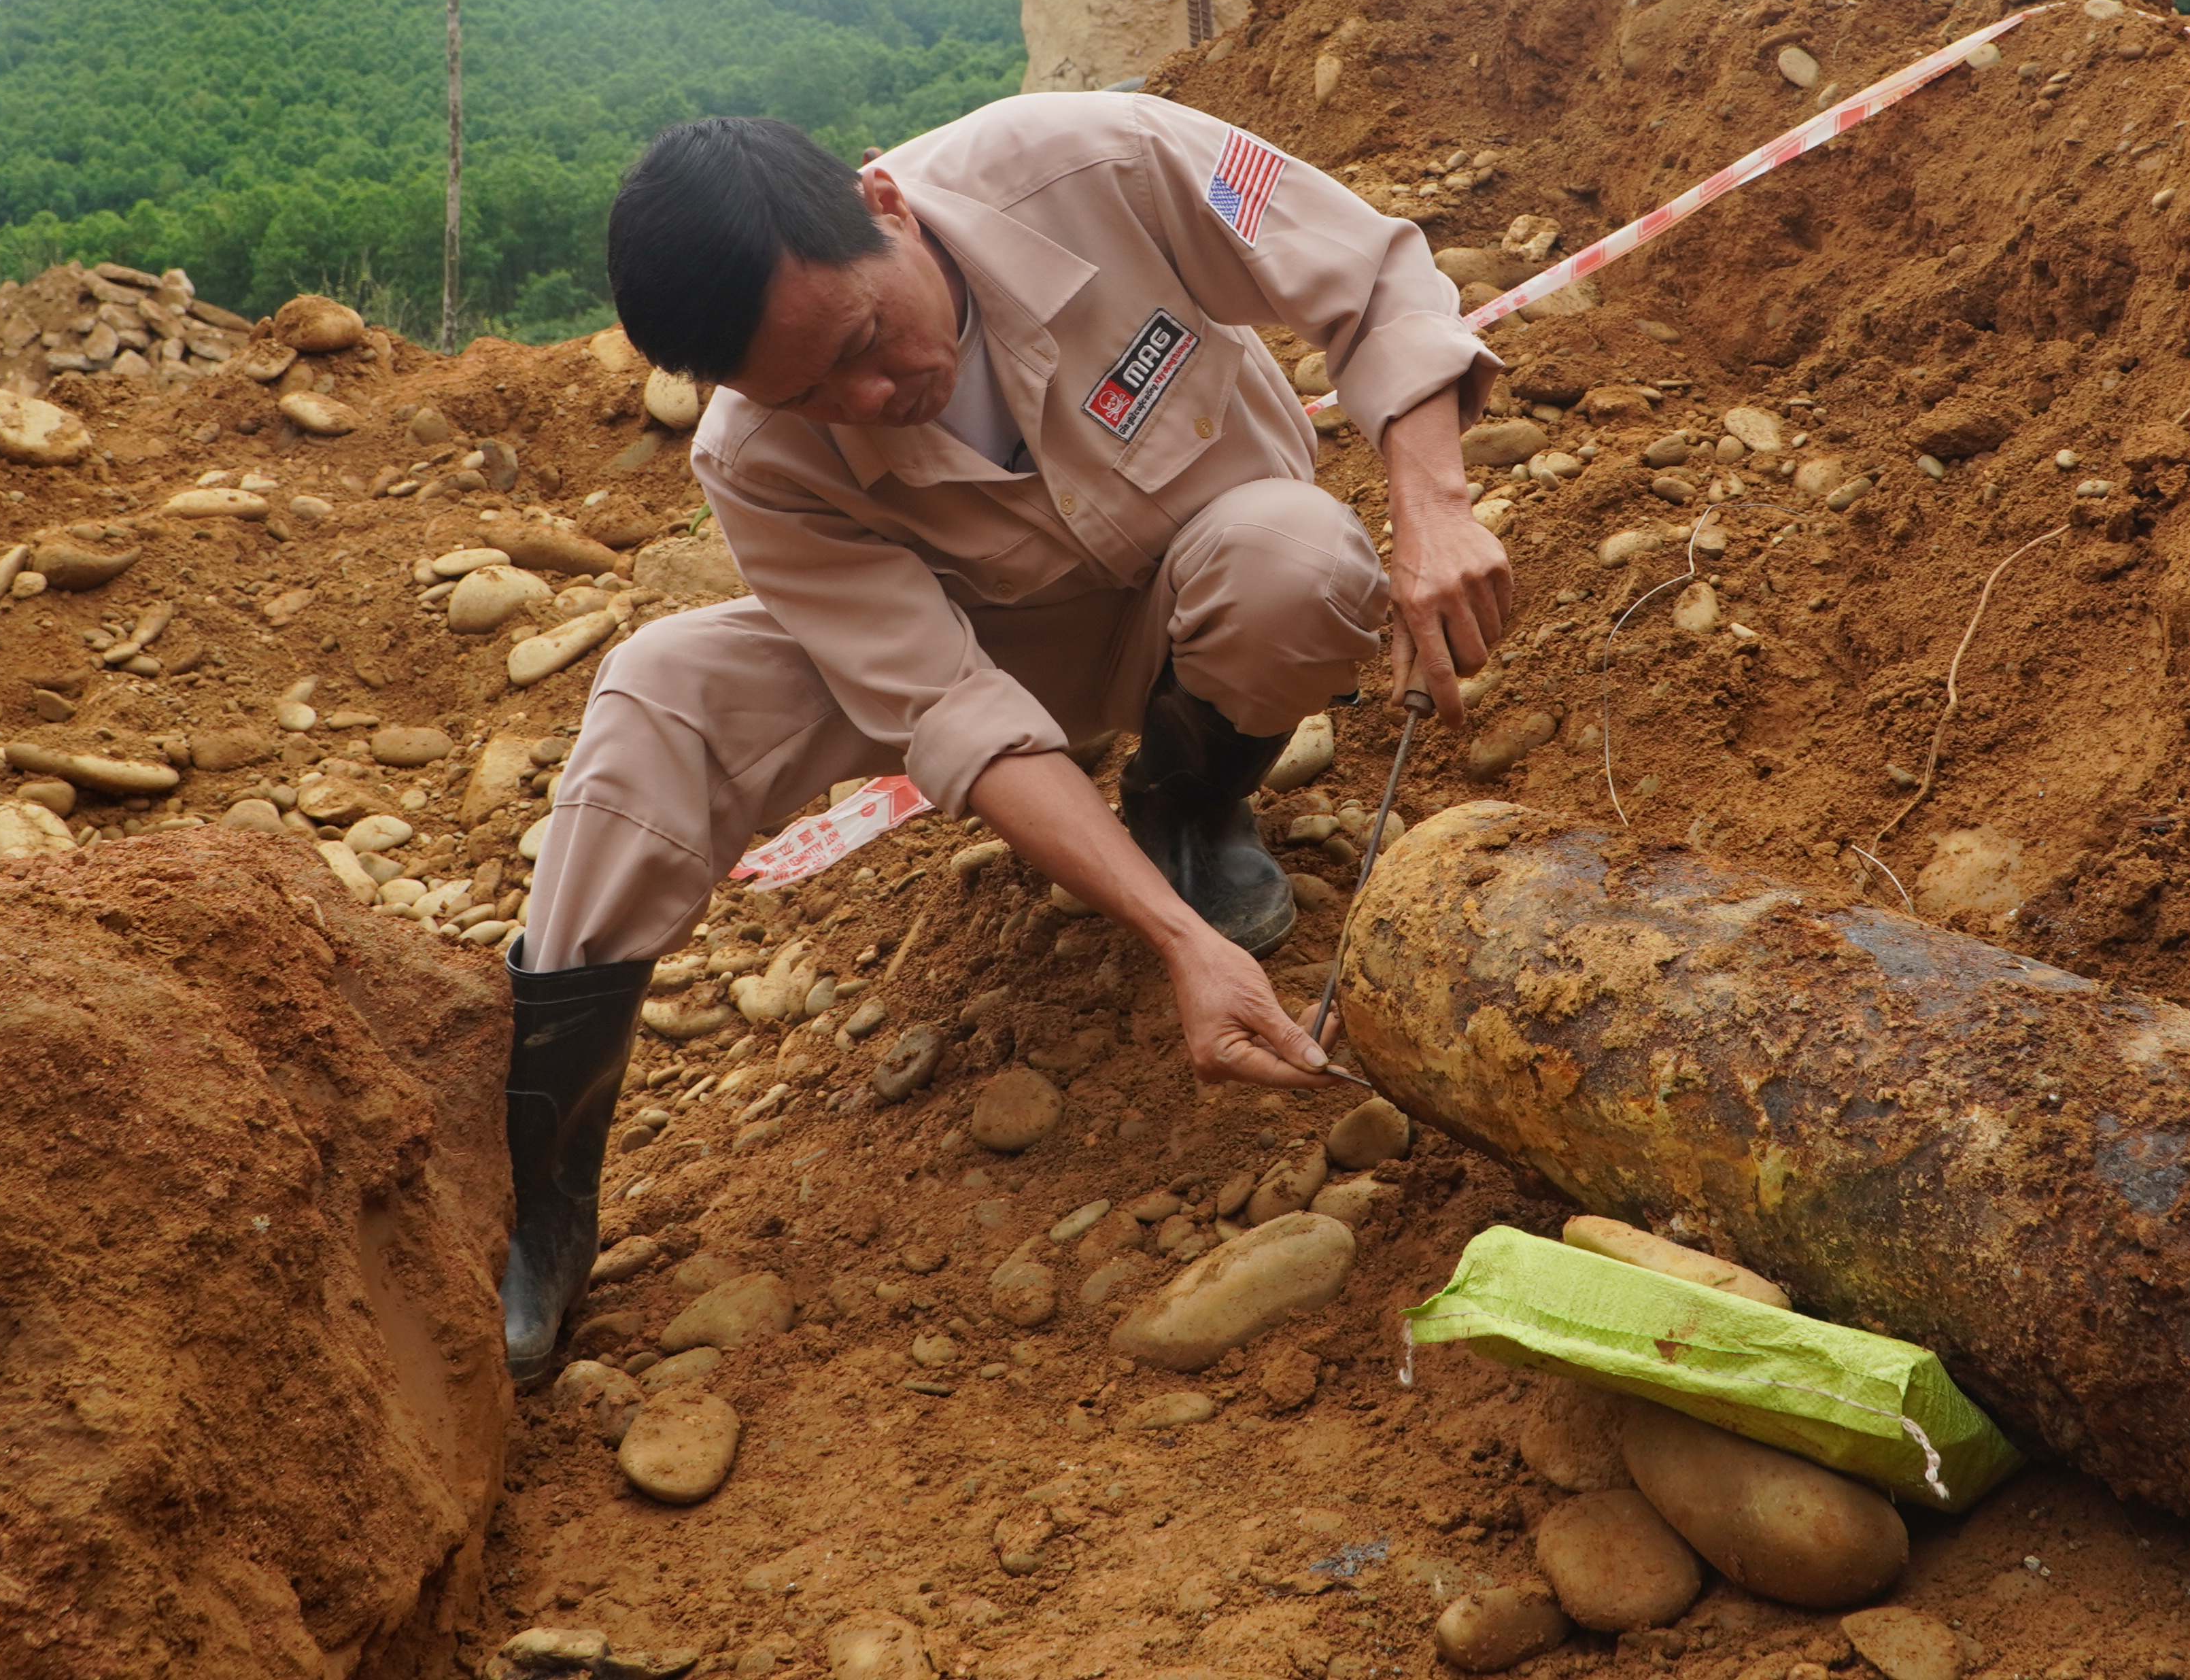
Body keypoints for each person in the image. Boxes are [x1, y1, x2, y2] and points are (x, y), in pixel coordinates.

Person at [496, 93, 1511, 1381]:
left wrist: (1432, 511)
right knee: (662, 683)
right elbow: (956, 715)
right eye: (812, 392)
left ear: (885, 204)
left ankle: (1193, 802)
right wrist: (1177, 945)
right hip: (994, 645)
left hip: (1192, 589)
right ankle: (540, 1196)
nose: (874, 395)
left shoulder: (1098, 161)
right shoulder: (755, 453)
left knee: (1299, 561)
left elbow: (1370, 275)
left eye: (867, 338)